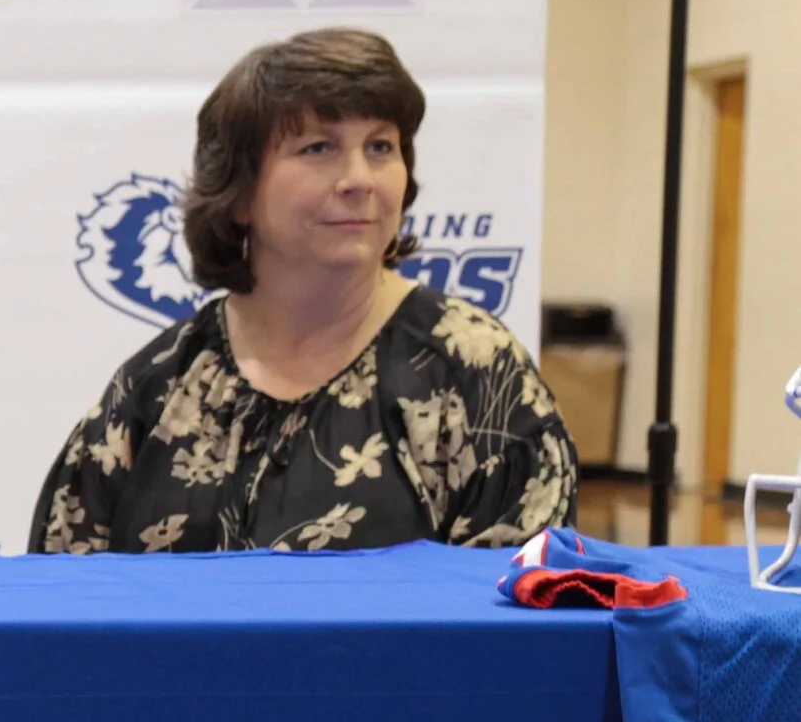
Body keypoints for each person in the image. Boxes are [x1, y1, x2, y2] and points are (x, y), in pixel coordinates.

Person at [31, 28, 574, 555]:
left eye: (380, 146)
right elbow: (60, 591)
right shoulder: (159, 385)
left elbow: (522, 596)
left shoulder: (474, 372)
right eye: (319, 148)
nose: (359, 179)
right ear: (239, 192)